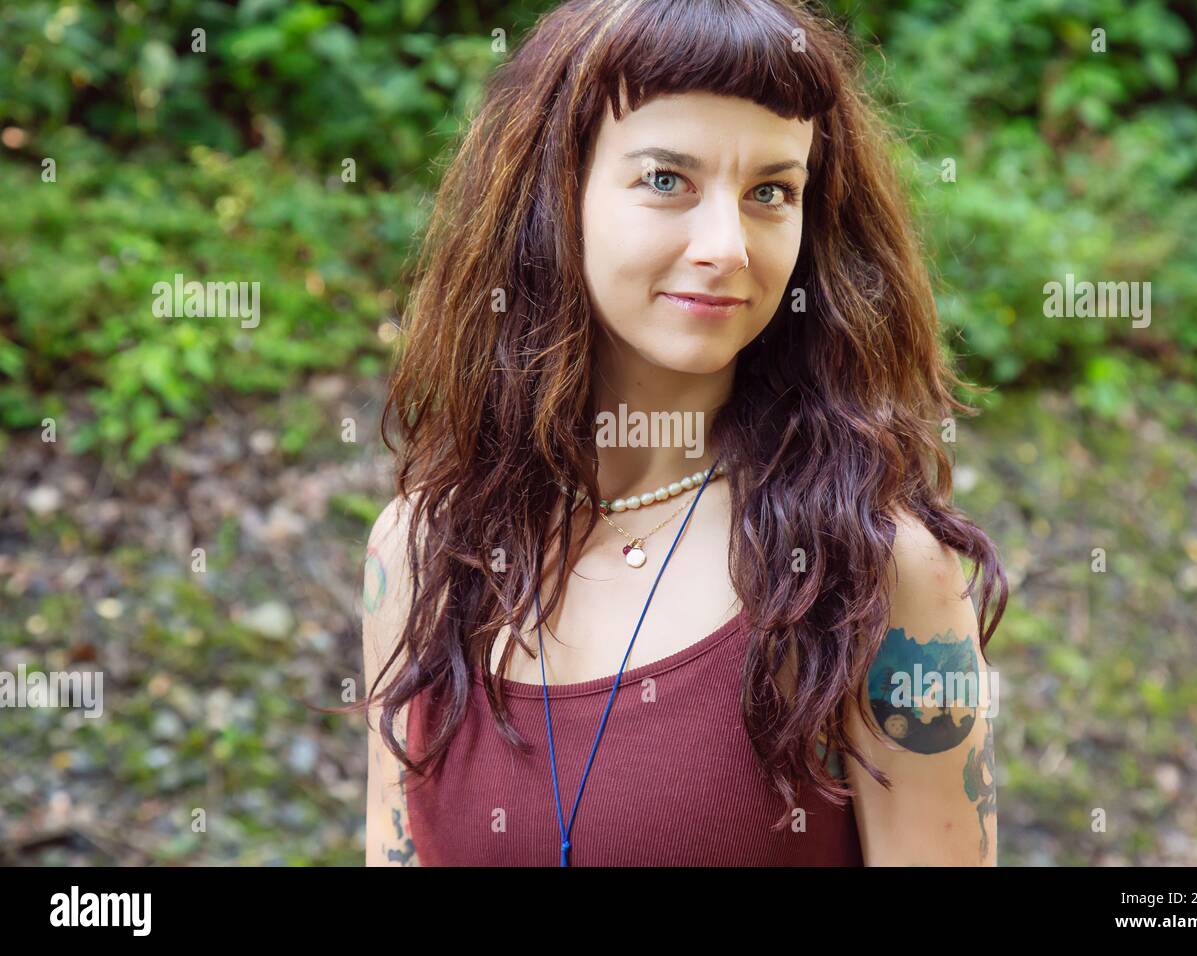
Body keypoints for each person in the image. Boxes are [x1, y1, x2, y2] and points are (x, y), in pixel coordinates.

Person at [362, 0, 1007, 866]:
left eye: (771, 192)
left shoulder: (872, 577)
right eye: (668, 180)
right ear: (554, 193)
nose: (728, 246)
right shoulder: (420, 555)